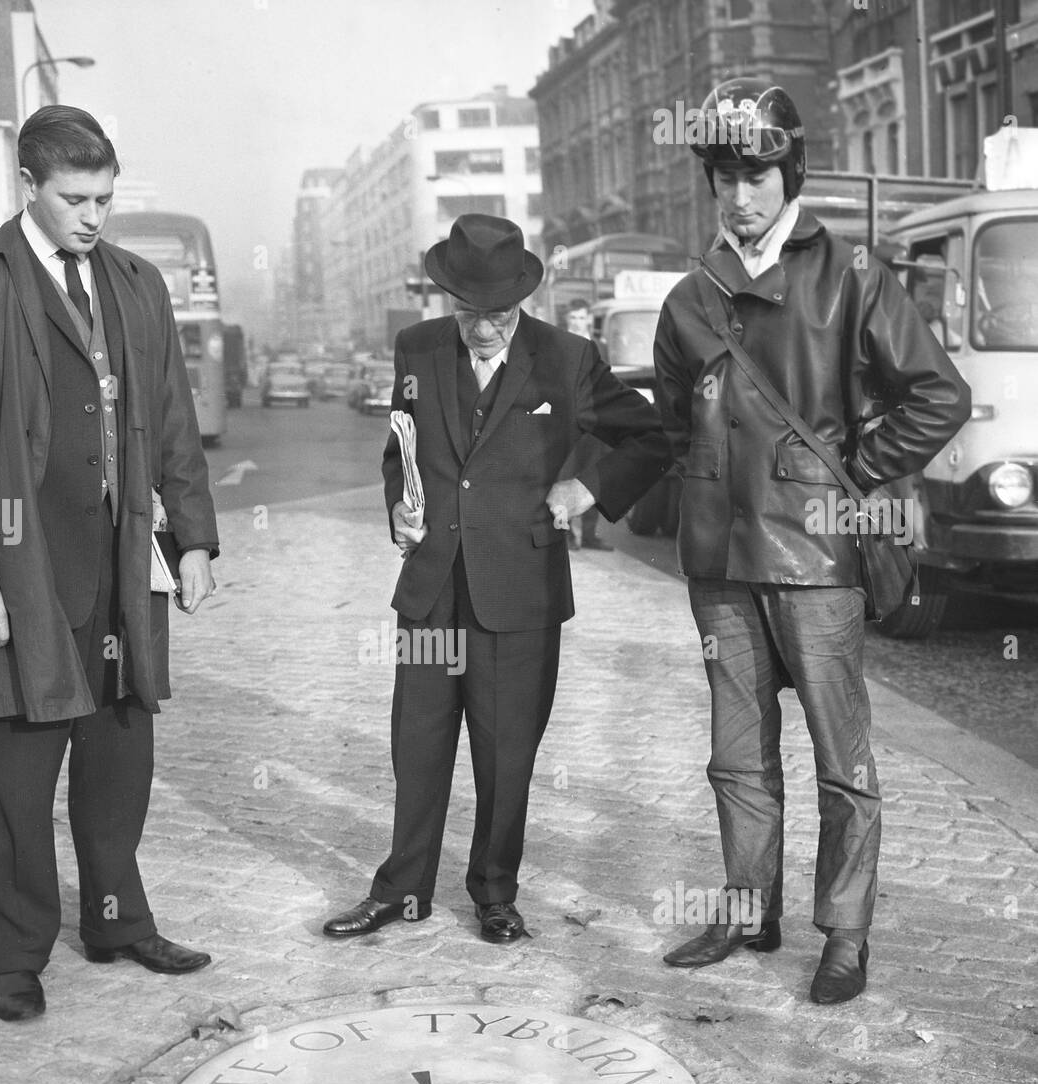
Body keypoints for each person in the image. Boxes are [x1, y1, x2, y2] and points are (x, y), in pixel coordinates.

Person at [556, 79, 971, 1003]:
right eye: (724, 177)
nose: (740, 196)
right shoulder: (688, 301)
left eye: (757, 174)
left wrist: (855, 465)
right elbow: (666, 431)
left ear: (791, 174)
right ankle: (749, 911)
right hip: (717, 565)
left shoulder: (851, 275)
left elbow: (941, 396)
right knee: (735, 754)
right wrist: (589, 484)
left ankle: (846, 933)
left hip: (817, 559)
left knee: (842, 757)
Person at [0, 106, 220, 1023]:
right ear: (28, 187)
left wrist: (193, 537)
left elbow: (171, 416)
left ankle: (117, 922)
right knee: (18, 774)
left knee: (121, 755)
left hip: (125, 566)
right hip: (20, 569)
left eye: (106, 199)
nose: (94, 216)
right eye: (76, 198)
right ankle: (14, 957)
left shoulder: (135, 281)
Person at [322, 214, 670, 944]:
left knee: (506, 750)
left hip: (521, 590)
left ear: (522, 302)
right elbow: (401, 448)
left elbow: (652, 434)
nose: (481, 330)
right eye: (467, 313)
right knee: (415, 743)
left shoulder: (567, 358)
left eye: (497, 317)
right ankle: (400, 890)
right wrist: (399, 509)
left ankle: (494, 894)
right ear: (446, 297)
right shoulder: (415, 347)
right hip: (431, 590)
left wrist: (586, 490)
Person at [563, 298, 613, 552]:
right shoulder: (557, 345)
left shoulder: (600, 347)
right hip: (568, 423)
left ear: (588, 320)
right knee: (567, 477)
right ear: (567, 320)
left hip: (595, 423)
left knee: (594, 476)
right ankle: (569, 536)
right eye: (573, 318)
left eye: (582, 318)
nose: (577, 322)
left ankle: (591, 535)